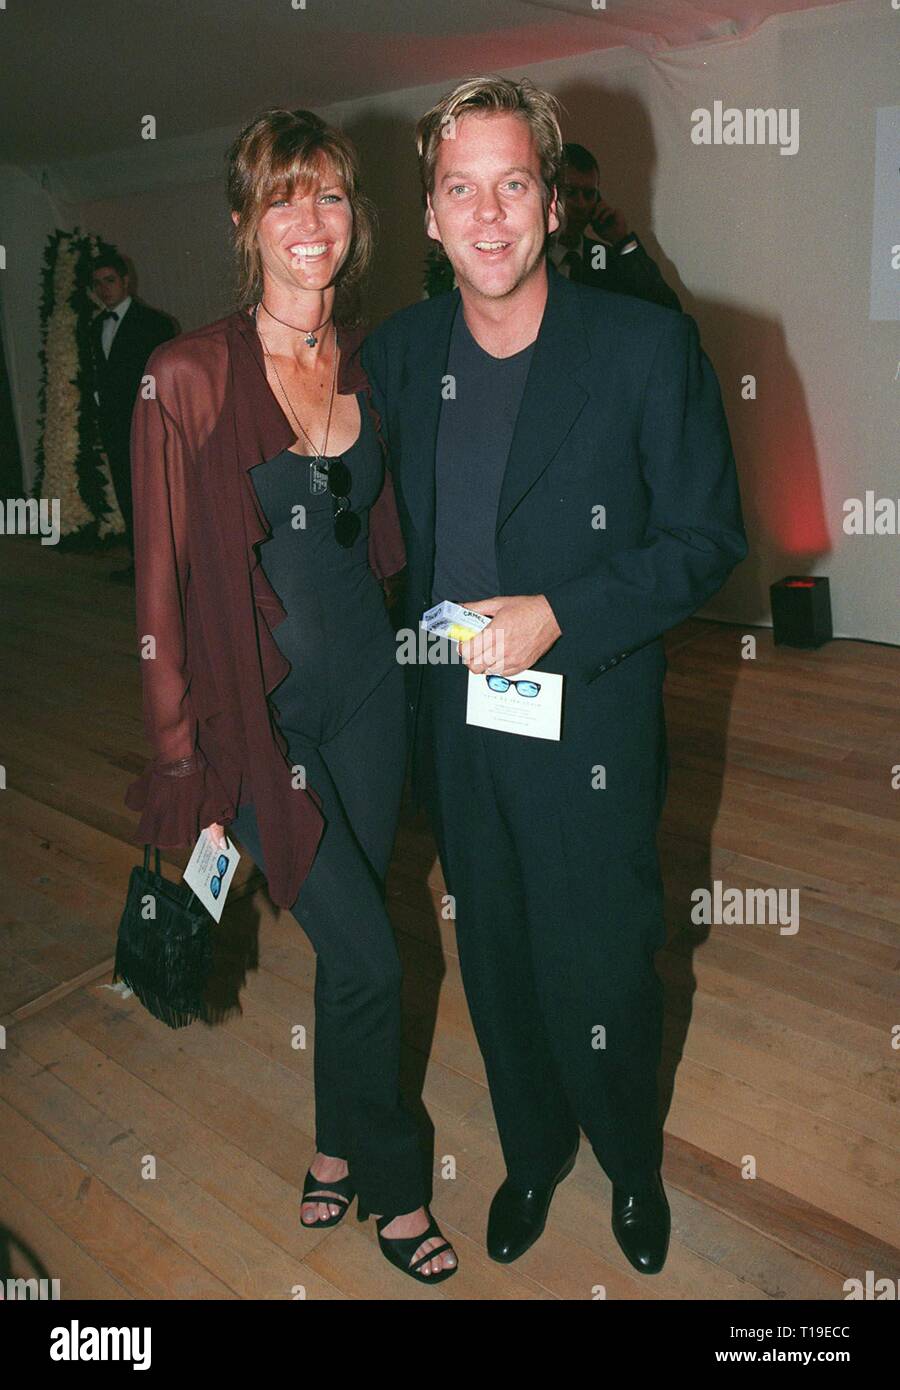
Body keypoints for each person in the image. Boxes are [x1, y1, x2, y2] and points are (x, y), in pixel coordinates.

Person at [361, 76, 747, 1274]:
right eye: (460, 189)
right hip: (458, 727)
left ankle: (630, 1160)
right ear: (427, 213)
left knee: (606, 957)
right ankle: (533, 1151)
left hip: (591, 723)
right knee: (497, 955)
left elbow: (704, 542)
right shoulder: (396, 353)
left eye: (512, 183)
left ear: (552, 199)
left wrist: (558, 616)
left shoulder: (644, 345)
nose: (488, 215)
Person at [124, 107, 457, 1284]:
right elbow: (158, 592)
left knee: (348, 936)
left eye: (326, 196)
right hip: (261, 730)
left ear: (355, 218)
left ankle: (331, 1145)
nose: (307, 222)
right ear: (243, 223)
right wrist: (187, 776)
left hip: (371, 701)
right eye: (281, 197)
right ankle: (400, 1186)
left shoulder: (369, 359)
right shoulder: (188, 378)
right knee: (375, 958)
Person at [90, 249, 177, 580]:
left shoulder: (154, 323)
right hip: (114, 428)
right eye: (97, 284)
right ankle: (140, 565)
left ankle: (168, 568)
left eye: (109, 280)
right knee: (127, 493)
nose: (103, 289)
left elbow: (165, 382)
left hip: (148, 426)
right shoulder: (96, 325)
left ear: (127, 280)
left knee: (156, 495)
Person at [548, 141, 682, 311]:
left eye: (589, 194)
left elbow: (667, 309)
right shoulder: (533, 256)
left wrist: (622, 241)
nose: (581, 204)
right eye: (569, 192)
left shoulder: (599, 257)